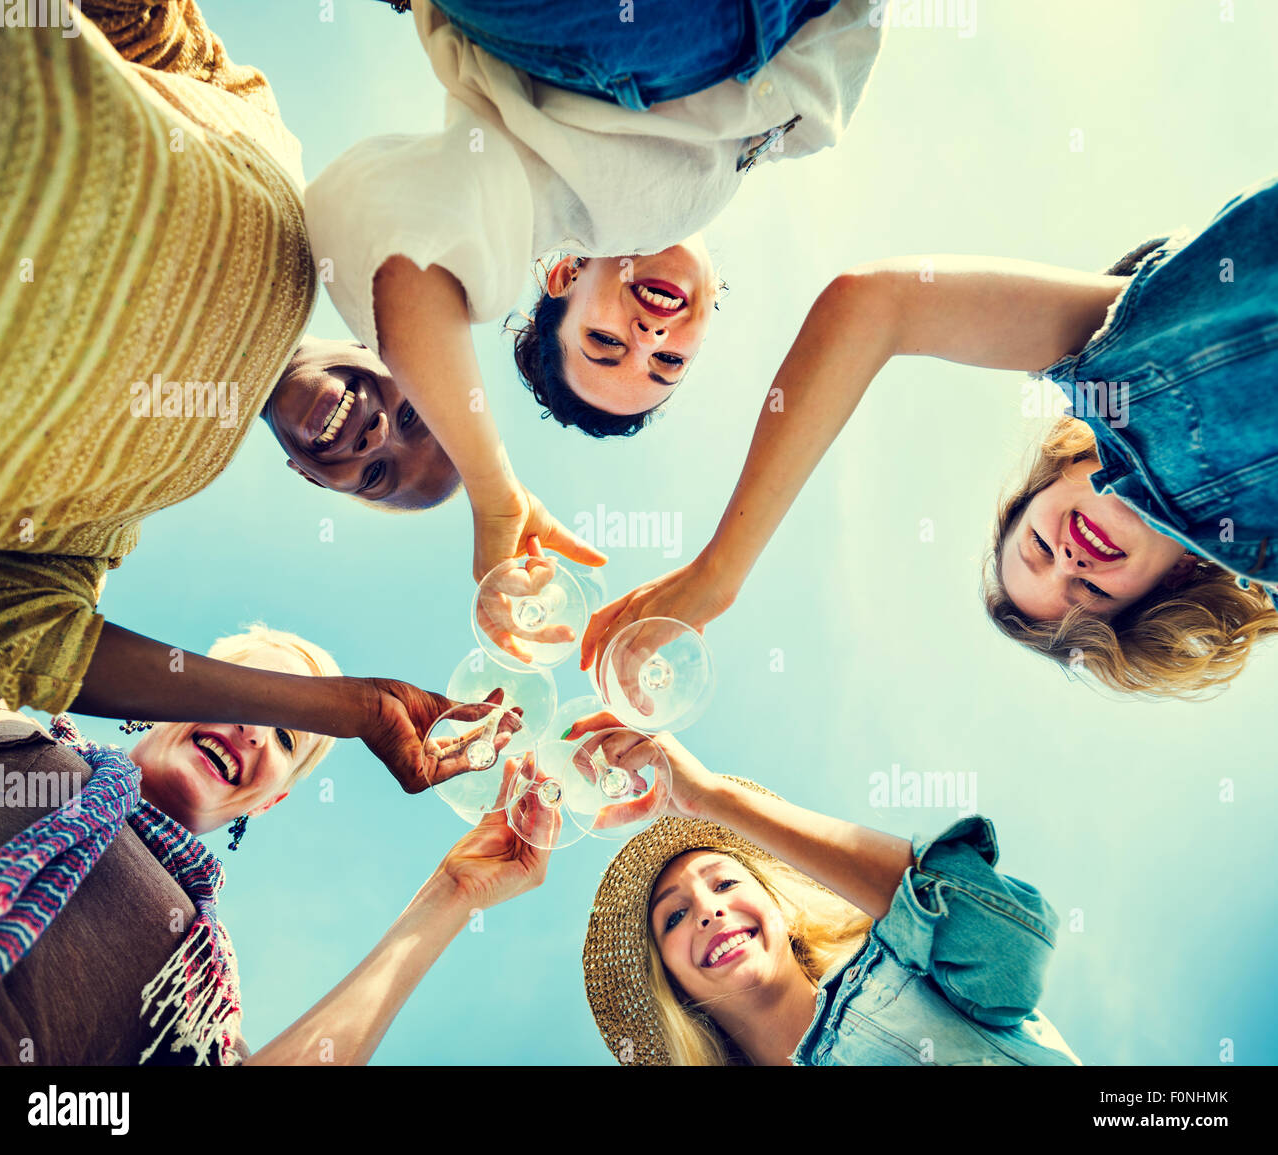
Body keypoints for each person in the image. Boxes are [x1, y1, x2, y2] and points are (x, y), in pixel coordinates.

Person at [0, 3, 498, 774]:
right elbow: (143, 21)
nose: (376, 437)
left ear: (313, 478)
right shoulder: (278, 163)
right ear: (388, 348)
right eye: (415, 413)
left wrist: (351, 709)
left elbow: (21, 639)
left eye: (376, 475)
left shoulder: (119, 512)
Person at [580, 173, 1278, 698]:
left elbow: (876, 306)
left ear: (1048, 483)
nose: (1069, 561)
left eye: (1038, 548)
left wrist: (718, 574)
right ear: (1171, 578)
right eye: (1088, 593)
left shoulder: (1109, 363)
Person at [303, 0, 885, 582]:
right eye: (669, 361)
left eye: (604, 342)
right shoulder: (809, 126)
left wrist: (493, 490)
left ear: (565, 276)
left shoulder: (555, 203)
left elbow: (387, 240)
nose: (649, 337)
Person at [0, 627, 545, 1064]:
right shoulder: (2, 727)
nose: (253, 730)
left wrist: (452, 894)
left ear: (269, 801)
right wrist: (363, 707)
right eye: (249, 692)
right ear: (169, 696)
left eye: (285, 735)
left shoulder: (198, 981)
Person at [572, 718, 1079, 1066]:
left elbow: (1008, 945)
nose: (709, 910)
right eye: (674, 917)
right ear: (671, 982)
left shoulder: (908, 968)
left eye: (725, 882)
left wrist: (714, 799)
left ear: (779, 907)